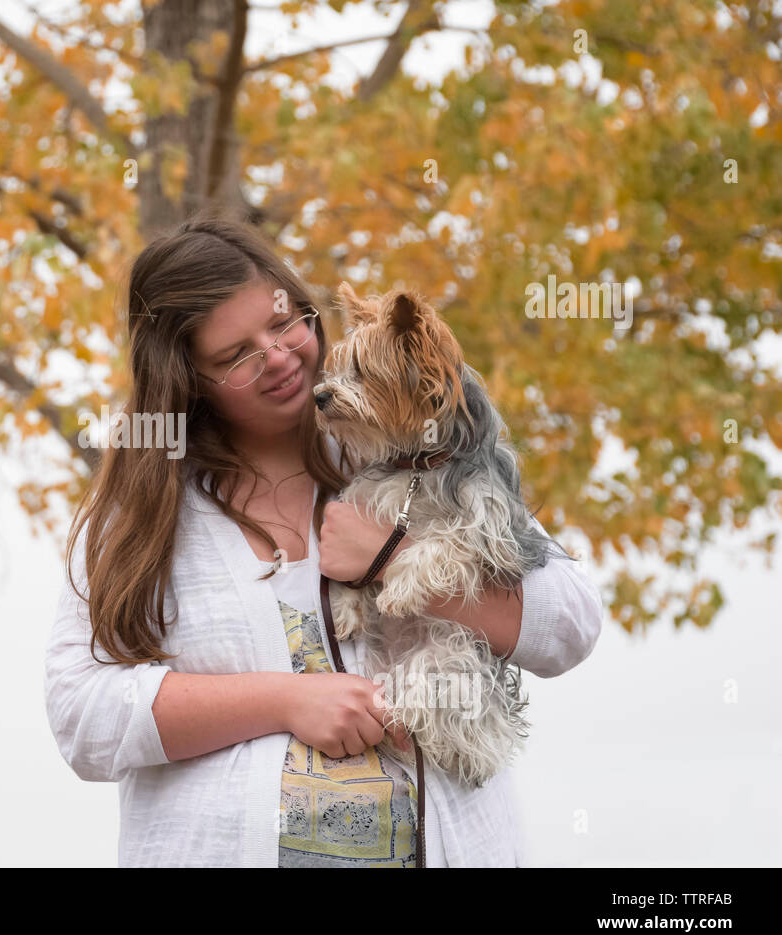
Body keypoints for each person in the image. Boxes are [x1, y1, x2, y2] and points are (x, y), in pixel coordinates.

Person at [43, 215, 603, 867]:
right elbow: (81, 712)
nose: (278, 357)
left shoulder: (421, 458)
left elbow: (570, 621)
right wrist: (286, 699)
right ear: (187, 379)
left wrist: (394, 557)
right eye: (236, 355)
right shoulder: (143, 511)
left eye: (284, 324)